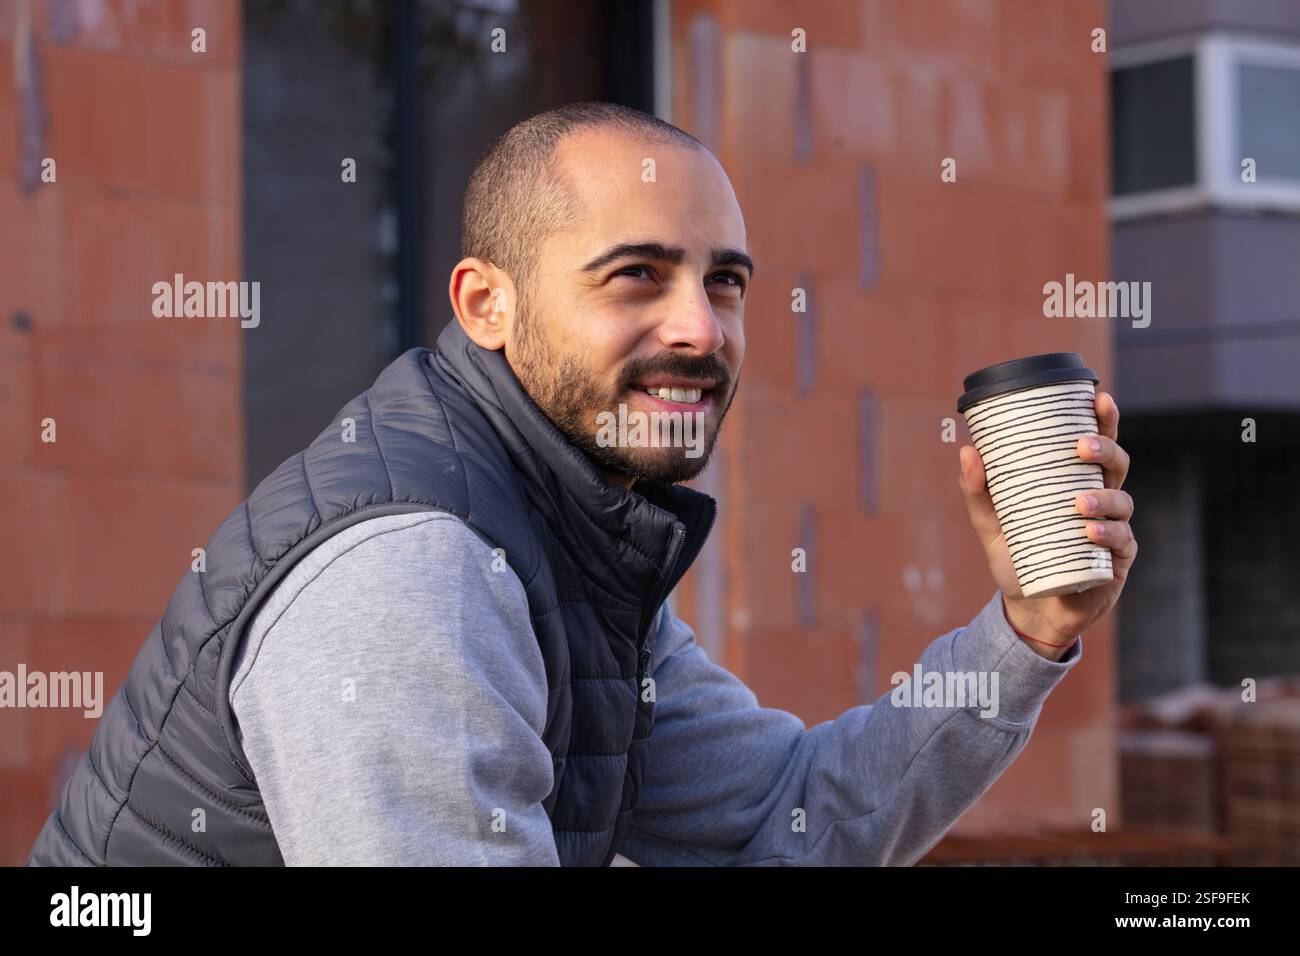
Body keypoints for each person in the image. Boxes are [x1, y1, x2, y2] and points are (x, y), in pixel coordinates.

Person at [29, 102, 1136, 867]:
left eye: (727, 282)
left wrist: (1027, 629)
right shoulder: (411, 569)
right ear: (485, 305)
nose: (700, 328)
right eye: (635, 276)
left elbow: (784, 823)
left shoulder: (569, 536)